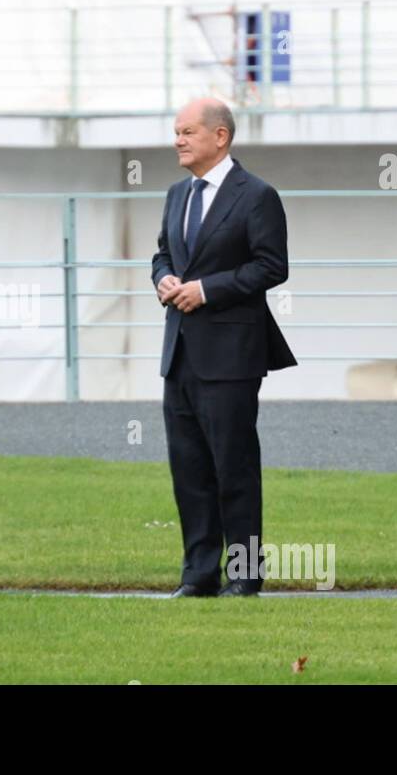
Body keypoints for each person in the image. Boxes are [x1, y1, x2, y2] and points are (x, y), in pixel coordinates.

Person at [151, 97, 297, 598]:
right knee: (189, 469)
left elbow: (271, 266)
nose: (178, 140)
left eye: (187, 131)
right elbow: (163, 253)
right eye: (176, 132)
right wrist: (165, 279)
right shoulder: (177, 194)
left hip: (232, 357)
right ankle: (199, 575)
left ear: (220, 136)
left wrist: (206, 289)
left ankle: (245, 574)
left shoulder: (256, 195)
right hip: (180, 354)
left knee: (233, 468)